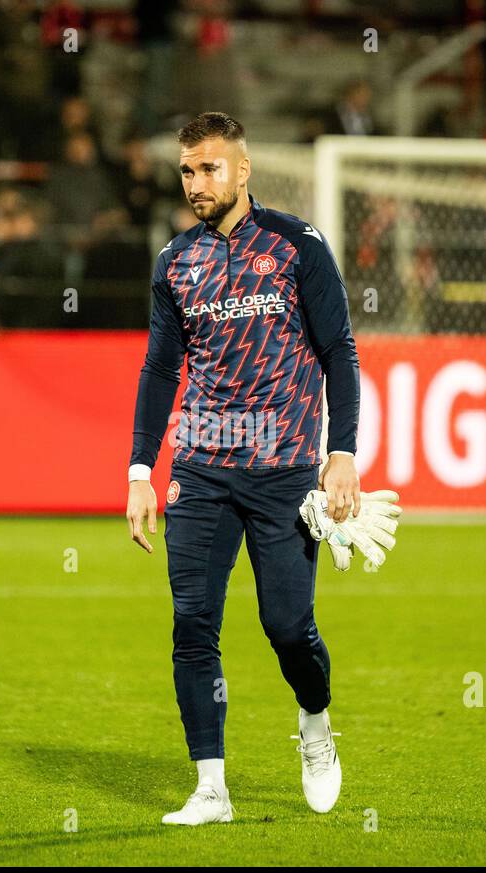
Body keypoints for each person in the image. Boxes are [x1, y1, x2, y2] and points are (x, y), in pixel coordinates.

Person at [125, 112, 361, 825]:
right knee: (193, 624)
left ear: (243, 170)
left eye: (210, 169)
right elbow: (160, 368)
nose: (197, 183)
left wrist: (341, 454)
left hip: (285, 468)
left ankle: (315, 727)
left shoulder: (299, 246)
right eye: (187, 171)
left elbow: (339, 353)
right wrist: (141, 469)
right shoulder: (175, 263)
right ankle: (211, 788)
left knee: (288, 627)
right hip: (200, 467)